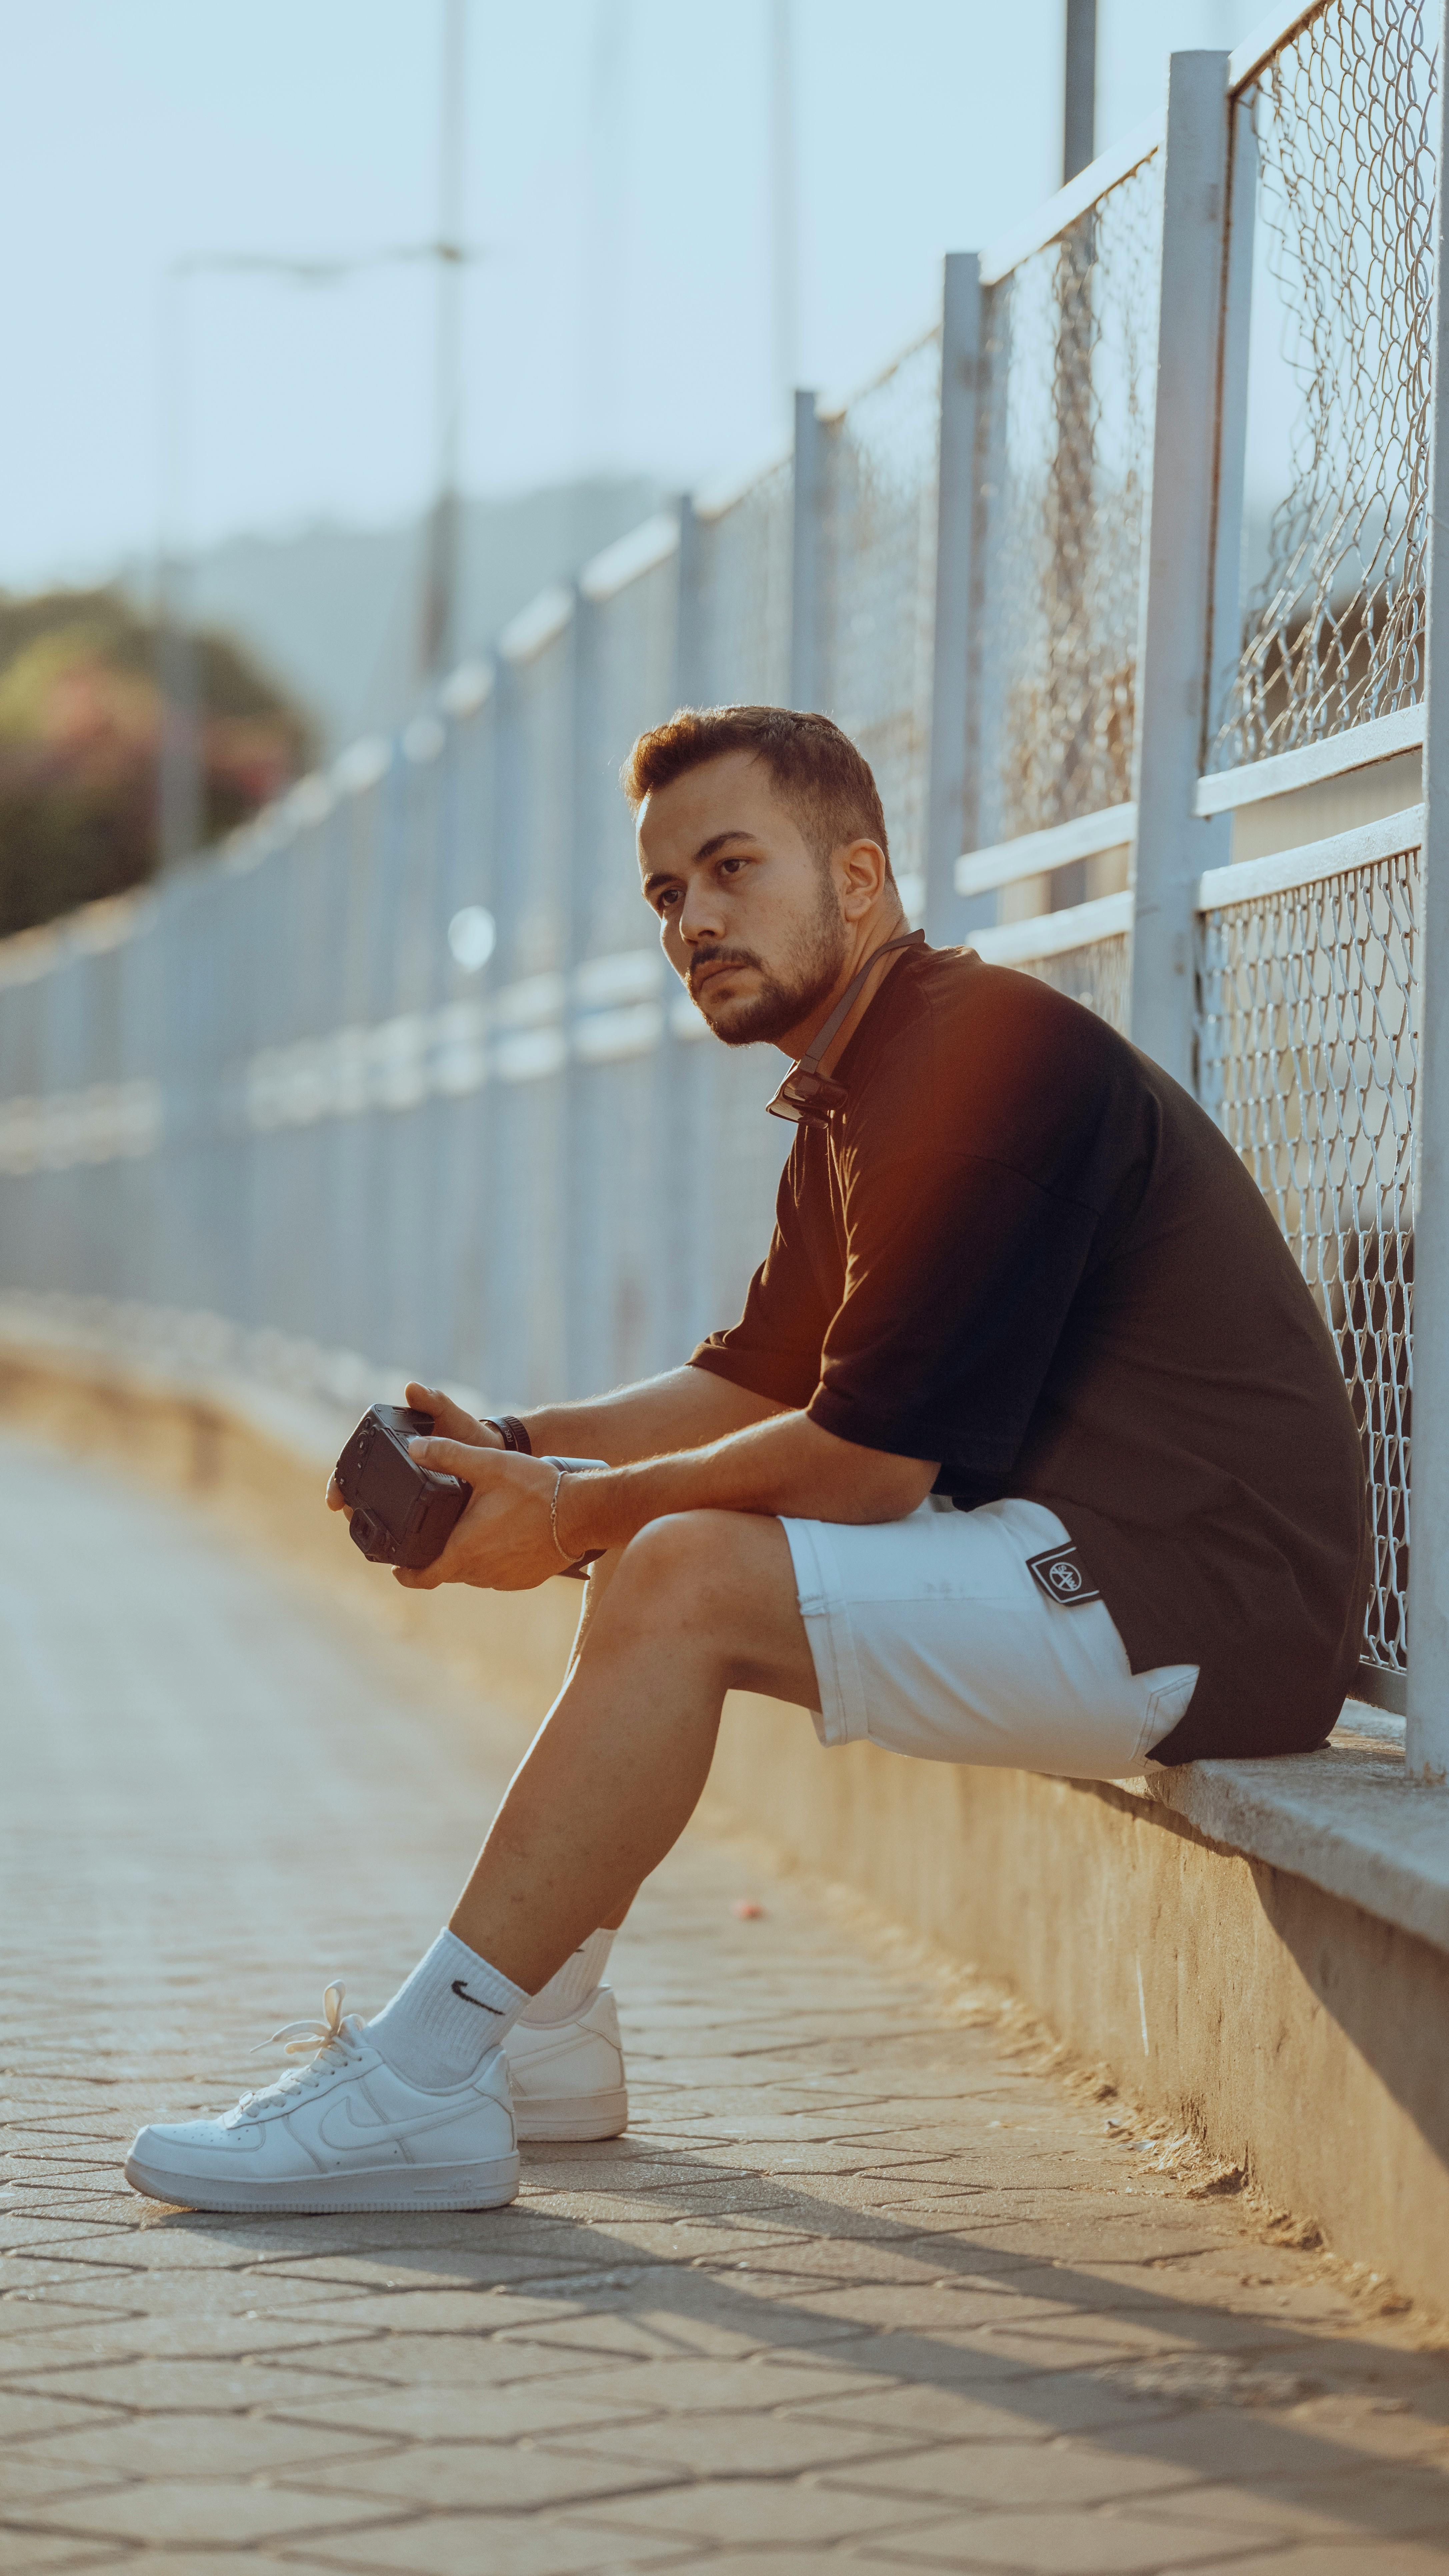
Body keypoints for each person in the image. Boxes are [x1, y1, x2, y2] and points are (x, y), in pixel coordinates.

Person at [125, 706, 1370, 2215]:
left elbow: (863, 1471)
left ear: (858, 879)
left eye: (730, 868)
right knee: (657, 1553)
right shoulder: (863, 1086)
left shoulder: (983, 1065)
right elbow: (751, 1382)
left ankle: (421, 2080)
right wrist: (510, 1451)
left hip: (1190, 1605)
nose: (694, 920)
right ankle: (547, 2040)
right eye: (665, 893)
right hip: (1096, 1570)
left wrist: (577, 1513)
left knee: (680, 1569)